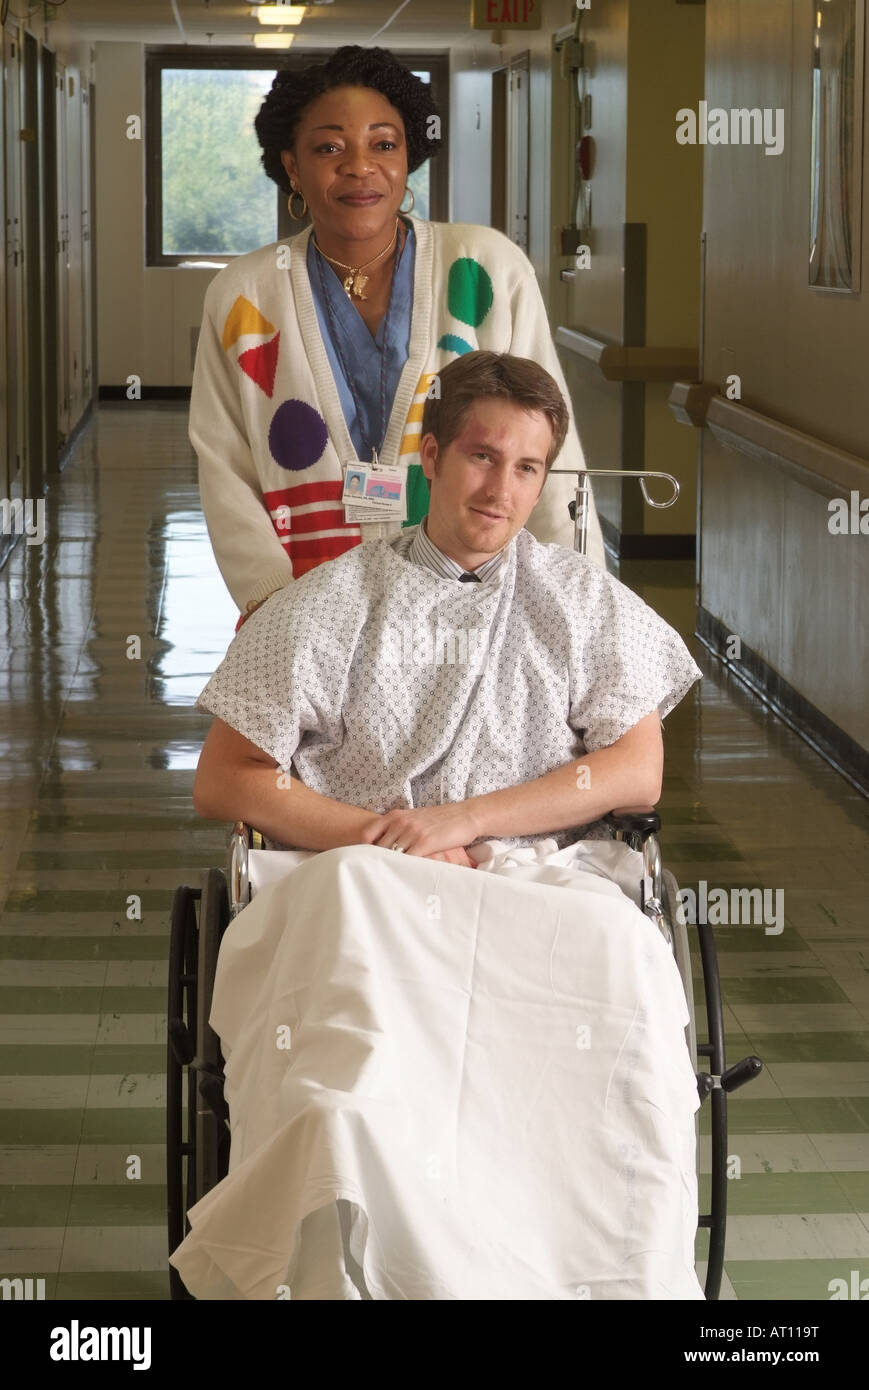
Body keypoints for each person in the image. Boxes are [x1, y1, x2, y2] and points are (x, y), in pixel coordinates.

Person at [170, 353, 704, 1301]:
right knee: (360, 1040)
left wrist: (462, 823)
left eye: (528, 468)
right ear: (430, 455)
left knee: (619, 958)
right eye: (481, 457)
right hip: (365, 875)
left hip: (536, 875)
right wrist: (389, 836)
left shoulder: (579, 603)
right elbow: (225, 779)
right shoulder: (330, 602)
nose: (501, 490)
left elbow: (633, 768)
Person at [190, 45, 605, 628]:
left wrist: (579, 601)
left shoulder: (485, 267)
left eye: (384, 144)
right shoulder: (246, 294)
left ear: (409, 157)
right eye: (329, 147)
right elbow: (223, 463)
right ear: (292, 166)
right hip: (309, 604)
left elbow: (548, 444)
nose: (360, 167)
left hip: (477, 601)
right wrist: (271, 605)